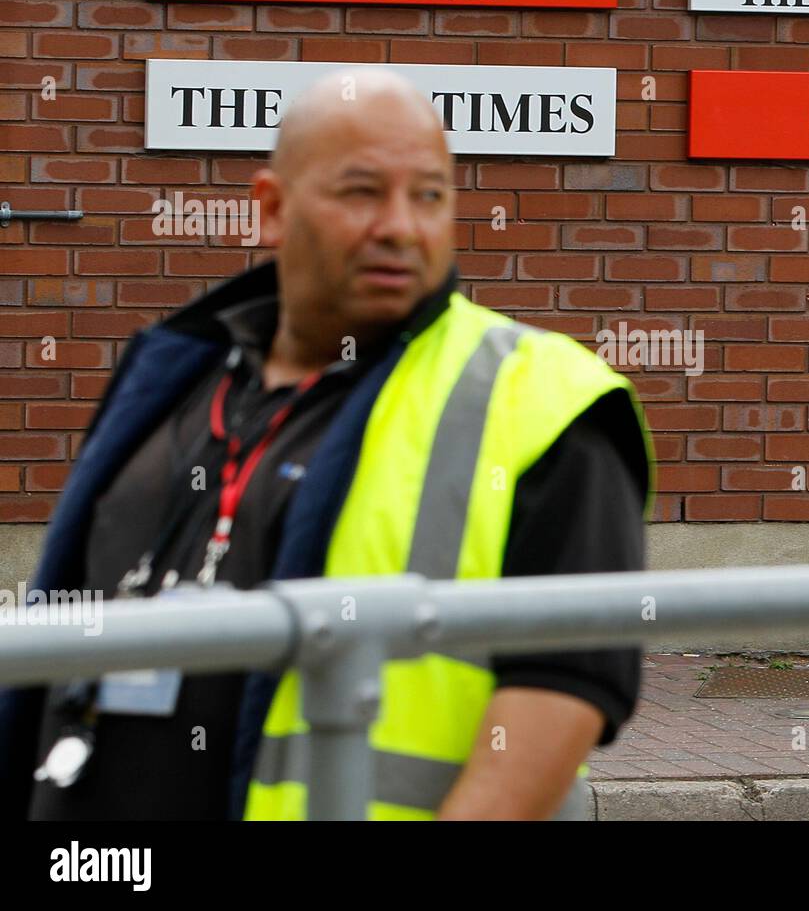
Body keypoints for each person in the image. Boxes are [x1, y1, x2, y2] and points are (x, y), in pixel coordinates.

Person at [0, 68, 653, 821]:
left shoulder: (542, 398)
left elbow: (564, 685)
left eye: (430, 195)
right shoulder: (174, 380)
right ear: (272, 209)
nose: (401, 227)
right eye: (362, 192)